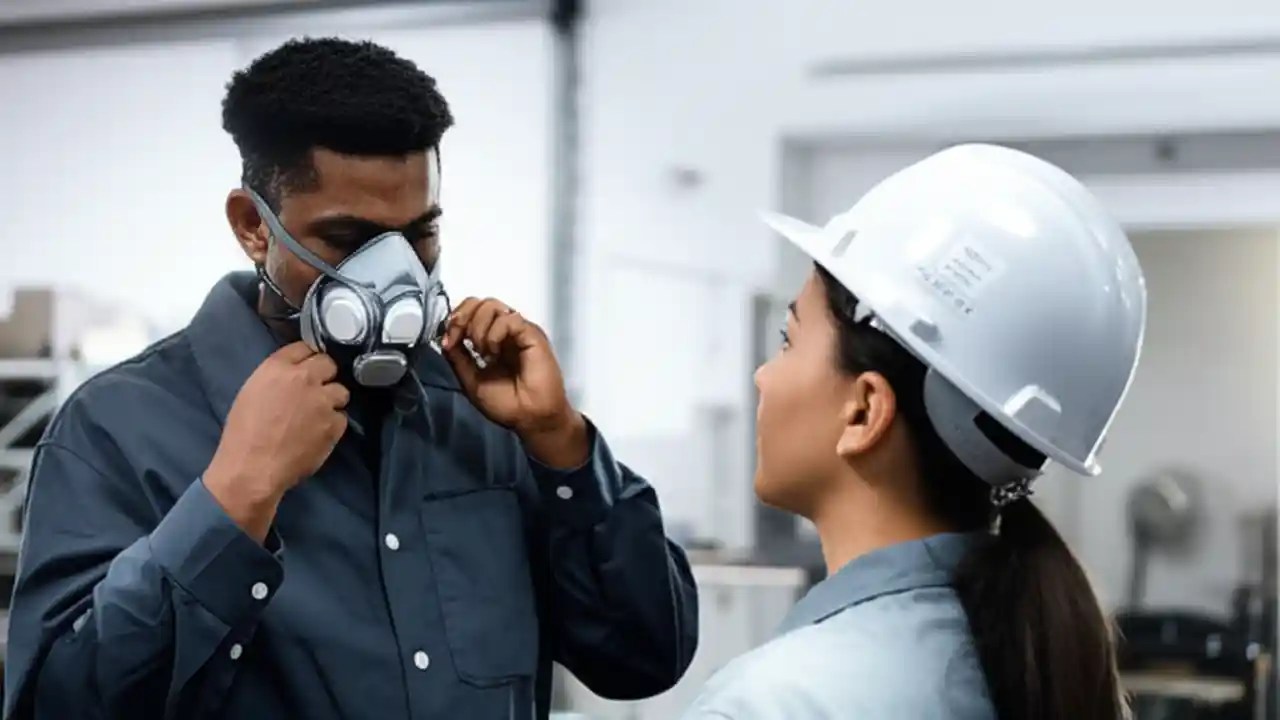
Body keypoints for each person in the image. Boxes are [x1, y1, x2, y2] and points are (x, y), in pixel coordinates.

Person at [6, 38, 697, 719]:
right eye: (350, 241)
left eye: (418, 235)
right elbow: (56, 704)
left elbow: (644, 659)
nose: (396, 275)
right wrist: (236, 496)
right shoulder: (118, 429)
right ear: (253, 227)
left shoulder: (487, 418)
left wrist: (562, 444)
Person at [682, 144, 1145, 719]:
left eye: (788, 340)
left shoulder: (771, 703)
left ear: (865, 410)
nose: (762, 376)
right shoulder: (1047, 673)